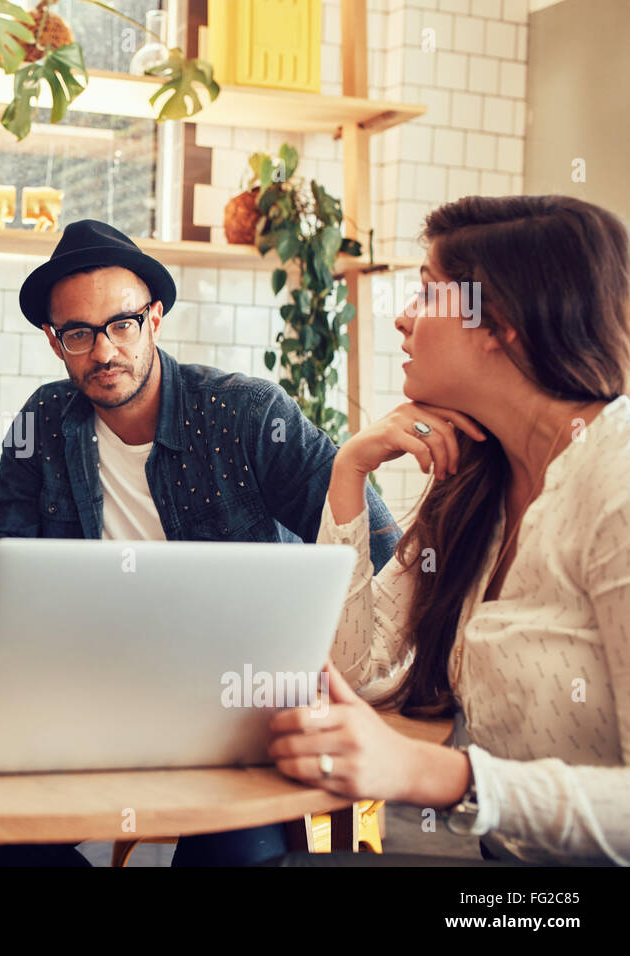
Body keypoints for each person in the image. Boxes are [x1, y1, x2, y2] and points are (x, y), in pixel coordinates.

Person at [0, 219, 401, 866]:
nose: (104, 351)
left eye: (122, 324)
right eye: (79, 334)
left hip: (242, 704)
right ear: (55, 341)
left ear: (156, 320)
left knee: (238, 852)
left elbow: (375, 547)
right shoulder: (44, 421)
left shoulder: (249, 415)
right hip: (89, 690)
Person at [267, 194, 630, 866]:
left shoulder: (618, 482)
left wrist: (438, 776)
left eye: (427, 294)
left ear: (501, 323)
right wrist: (349, 468)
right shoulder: (479, 484)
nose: (403, 318)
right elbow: (360, 669)